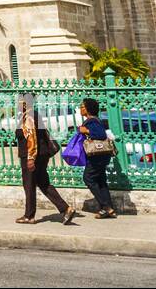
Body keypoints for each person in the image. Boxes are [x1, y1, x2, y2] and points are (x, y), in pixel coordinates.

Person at [14, 94, 76, 225]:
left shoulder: (29, 117)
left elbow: (32, 139)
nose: (18, 105)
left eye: (20, 102)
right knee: (44, 183)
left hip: (32, 155)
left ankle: (29, 216)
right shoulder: (35, 115)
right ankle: (65, 209)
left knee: (29, 185)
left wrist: (30, 158)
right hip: (42, 154)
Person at [78, 98, 116, 218]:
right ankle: (108, 209)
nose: (81, 109)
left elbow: (100, 135)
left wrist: (86, 130)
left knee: (88, 178)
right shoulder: (95, 120)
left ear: (88, 109)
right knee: (100, 181)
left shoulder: (91, 121)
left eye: (83, 107)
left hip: (96, 156)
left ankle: (106, 206)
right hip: (101, 156)